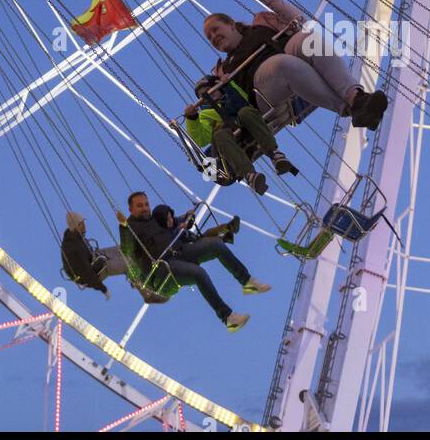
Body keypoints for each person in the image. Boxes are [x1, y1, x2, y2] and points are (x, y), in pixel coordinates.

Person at [203, 0, 389, 132]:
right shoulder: (223, 68)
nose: (213, 37)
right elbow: (222, 102)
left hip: (285, 58)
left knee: (307, 40)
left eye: (215, 29)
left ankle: (355, 97)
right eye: (209, 37)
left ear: (230, 24)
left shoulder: (261, 23)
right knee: (282, 64)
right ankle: (347, 107)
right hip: (261, 93)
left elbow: (300, 21)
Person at [119, 191, 268, 331]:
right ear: (131, 209)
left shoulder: (154, 218)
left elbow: (173, 221)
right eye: (139, 206)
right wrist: (124, 226)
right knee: (199, 273)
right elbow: (126, 249)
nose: (145, 208)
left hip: (179, 252)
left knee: (215, 244)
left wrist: (187, 215)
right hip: (163, 270)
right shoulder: (130, 227)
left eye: (146, 204)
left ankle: (247, 281)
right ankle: (228, 317)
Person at [184, 77, 298, 194]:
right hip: (228, 141)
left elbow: (243, 101)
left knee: (246, 111)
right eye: (202, 96)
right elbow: (201, 140)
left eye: (210, 89)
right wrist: (192, 119)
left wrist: (226, 85)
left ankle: (274, 155)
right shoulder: (204, 115)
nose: (209, 94)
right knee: (219, 135)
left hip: (245, 126)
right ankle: (249, 175)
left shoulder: (229, 95)